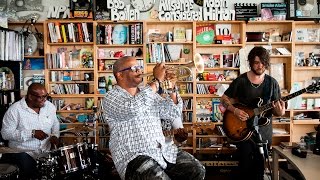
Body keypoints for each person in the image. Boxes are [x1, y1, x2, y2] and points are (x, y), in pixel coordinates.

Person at [102, 56, 205, 180]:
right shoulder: (110, 97)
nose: (139, 71)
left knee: (197, 170)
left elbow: (172, 113)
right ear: (120, 75)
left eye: (140, 67)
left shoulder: (149, 95)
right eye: (134, 68)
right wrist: (156, 81)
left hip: (162, 152)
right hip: (134, 157)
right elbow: (133, 108)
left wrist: (172, 88)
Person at [220, 46, 285, 180]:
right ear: (250, 62)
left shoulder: (272, 83)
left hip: (264, 132)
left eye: (262, 62)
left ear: (266, 63)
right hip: (244, 131)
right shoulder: (241, 81)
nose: (260, 65)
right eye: (256, 62)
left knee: (259, 171)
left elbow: (278, 111)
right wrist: (235, 110)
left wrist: (280, 111)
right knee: (245, 168)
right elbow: (224, 99)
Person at [1, 83, 60, 179]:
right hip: (23, 152)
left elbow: (55, 124)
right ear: (30, 96)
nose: (44, 99)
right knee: (30, 172)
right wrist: (31, 133)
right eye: (41, 97)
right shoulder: (14, 110)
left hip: (46, 151)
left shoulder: (50, 107)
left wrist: (55, 135)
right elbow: (5, 134)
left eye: (46, 96)